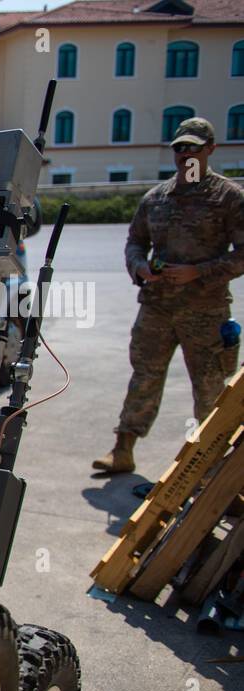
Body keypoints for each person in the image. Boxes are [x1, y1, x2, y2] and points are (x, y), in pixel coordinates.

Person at [95, 118, 244, 473]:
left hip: (205, 311)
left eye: (193, 147)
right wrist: (140, 267)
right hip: (157, 308)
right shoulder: (156, 198)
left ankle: (215, 467)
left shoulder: (229, 198)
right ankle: (123, 449)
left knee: (210, 389)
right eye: (180, 148)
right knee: (144, 377)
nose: (186, 154)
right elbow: (134, 241)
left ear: (210, 149)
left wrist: (201, 271)